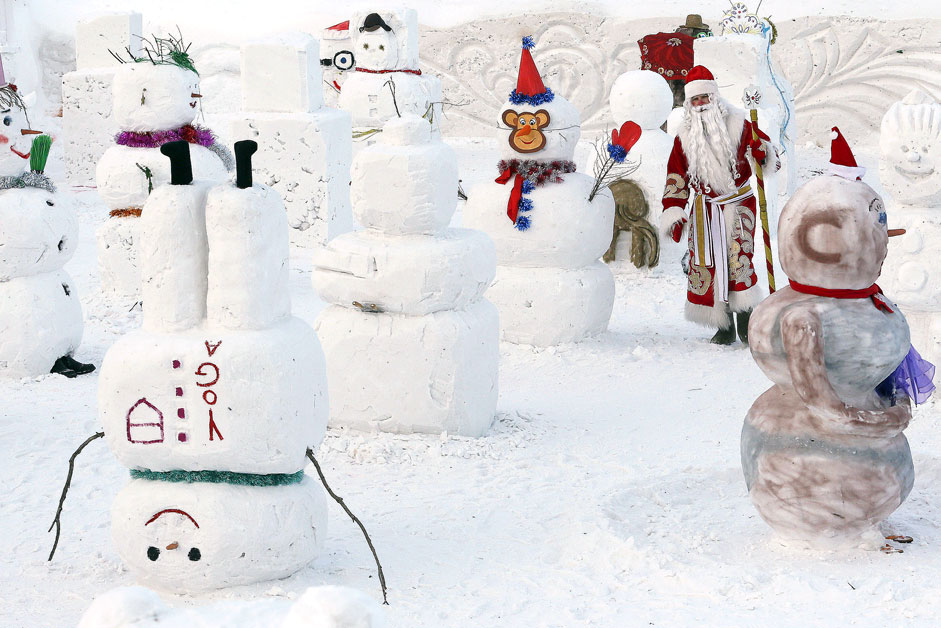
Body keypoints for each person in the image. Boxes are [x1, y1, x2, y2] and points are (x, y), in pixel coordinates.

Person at [661, 65, 775, 345]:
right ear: (689, 104)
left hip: (738, 204)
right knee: (707, 265)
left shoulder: (741, 125)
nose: (700, 105)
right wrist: (674, 209)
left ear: (715, 97)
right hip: (704, 210)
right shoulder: (683, 138)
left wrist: (762, 153)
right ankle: (722, 325)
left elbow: (767, 156)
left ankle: (747, 324)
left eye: (705, 98)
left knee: (739, 261)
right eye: (695, 100)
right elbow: (676, 175)